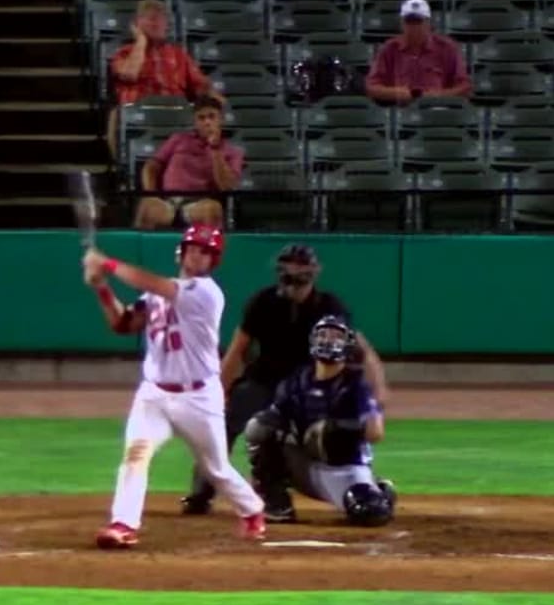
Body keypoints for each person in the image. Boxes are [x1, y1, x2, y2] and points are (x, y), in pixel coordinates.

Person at [81, 225, 267, 549]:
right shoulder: (156, 294)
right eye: (194, 248)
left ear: (213, 261)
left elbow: (157, 285)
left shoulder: (207, 293)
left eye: (205, 251)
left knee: (216, 469)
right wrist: (101, 288)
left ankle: (252, 510)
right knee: (135, 455)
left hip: (198, 396)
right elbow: (123, 323)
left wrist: (108, 265)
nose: (198, 255)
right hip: (154, 394)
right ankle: (123, 524)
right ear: (182, 251)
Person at [181, 244, 389, 520]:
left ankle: (358, 487)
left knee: (329, 433)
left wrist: (378, 391)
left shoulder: (329, 307)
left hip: (306, 385)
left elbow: (362, 348)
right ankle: (202, 493)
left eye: (300, 271)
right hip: (263, 381)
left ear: (312, 273)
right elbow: (237, 349)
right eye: (288, 270)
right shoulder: (263, 302)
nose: (293, 278)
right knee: (225, 425)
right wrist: (218, 391)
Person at [243, 315, 397, 527]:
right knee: (259, 428)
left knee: (369, 512)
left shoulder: (355, 384)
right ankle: (275, 502)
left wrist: (337, 430)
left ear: (348, 344)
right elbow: (272, 419)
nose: (328, 340)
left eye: (336, 336)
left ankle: (378, 492)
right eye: (323, 335)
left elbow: (376, 432)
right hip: (306, 465)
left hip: (345, 469)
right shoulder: (298, 380)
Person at [106, 0, 219, 156]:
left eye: (161, 19)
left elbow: (202, 87)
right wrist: (141, 42)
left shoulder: (179, 55)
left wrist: (217, 100)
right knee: (116, 116)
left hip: (175, 115)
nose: (156, 23)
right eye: (151, 18)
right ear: (137, 24)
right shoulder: (124, 53)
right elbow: (130, 74)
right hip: (139, 116)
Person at [134, 95, 241, 230]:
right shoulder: (178, 139)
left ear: (221, 120)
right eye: (201, 118)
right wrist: (152, 194)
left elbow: (226, 187)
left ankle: (208, 251)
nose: (207, 122)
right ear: (195, 122)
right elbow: (151, 167)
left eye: (212, 117)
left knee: (212, 210)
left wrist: (215, 150)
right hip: (169, 201)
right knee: (148, 207)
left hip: (199, 204)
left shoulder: (233, 152)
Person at [364, 0, 471, 105]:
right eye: (409, 21)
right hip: (400, 110)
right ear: (402, 23)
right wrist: (396, 93)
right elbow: (372, 87)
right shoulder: (389, 48)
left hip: (438, 110)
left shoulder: (447, 48)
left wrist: (437, 96)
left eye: (418, 21)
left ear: (428, 23)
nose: (413, 26)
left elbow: (464, 87)